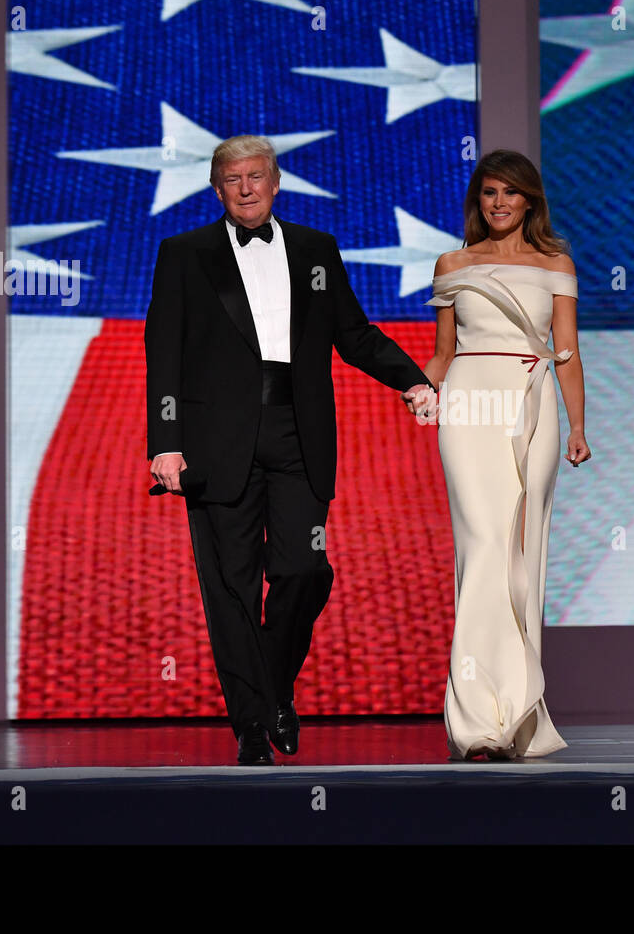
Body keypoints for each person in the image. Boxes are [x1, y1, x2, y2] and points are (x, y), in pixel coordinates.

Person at [145, 135, 435, 765]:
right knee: (232, 590)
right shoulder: (184, 254)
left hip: (299, 433)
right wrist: (164, 445)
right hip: (215, 445)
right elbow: (162, 353)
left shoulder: (315, 250)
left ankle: (274, 688)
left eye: (256, 176)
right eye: (232, 178)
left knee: (304, 570)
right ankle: (252, 723)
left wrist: (412, 379)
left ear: (276, 183)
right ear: (216, 189)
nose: (245, 188)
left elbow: (353, 334)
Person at [415, 149, 591, 760]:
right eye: (489, 192)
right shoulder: (452, 263)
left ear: (529, 202)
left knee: (521, 548)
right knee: (483, 545)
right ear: (478, 199)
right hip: (467, 405)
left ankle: (515, 712)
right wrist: (420, 389)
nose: (498, 203)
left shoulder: (556, 265)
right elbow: (442, 353)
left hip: (531, 404)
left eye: (510, 194)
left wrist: (578, 427)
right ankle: (474, 718)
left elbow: (565, 352)